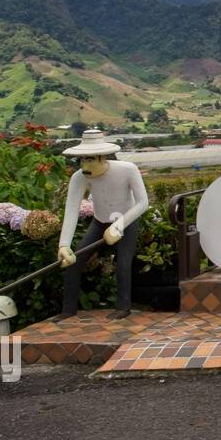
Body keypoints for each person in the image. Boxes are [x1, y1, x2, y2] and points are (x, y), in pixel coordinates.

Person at [56, 129, 149, 318]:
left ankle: (123, 307)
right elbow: (72, 209)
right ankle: (68, 310)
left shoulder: (127, 169)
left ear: (101, 158)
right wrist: (64, 244)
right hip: (99, 221)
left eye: (89, 159)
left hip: (126, 221)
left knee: (123, 264)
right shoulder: (79, 177)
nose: (85, 165)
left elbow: (143, 203)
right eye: (81, 160)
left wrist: (119, 225)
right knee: (75, 261)